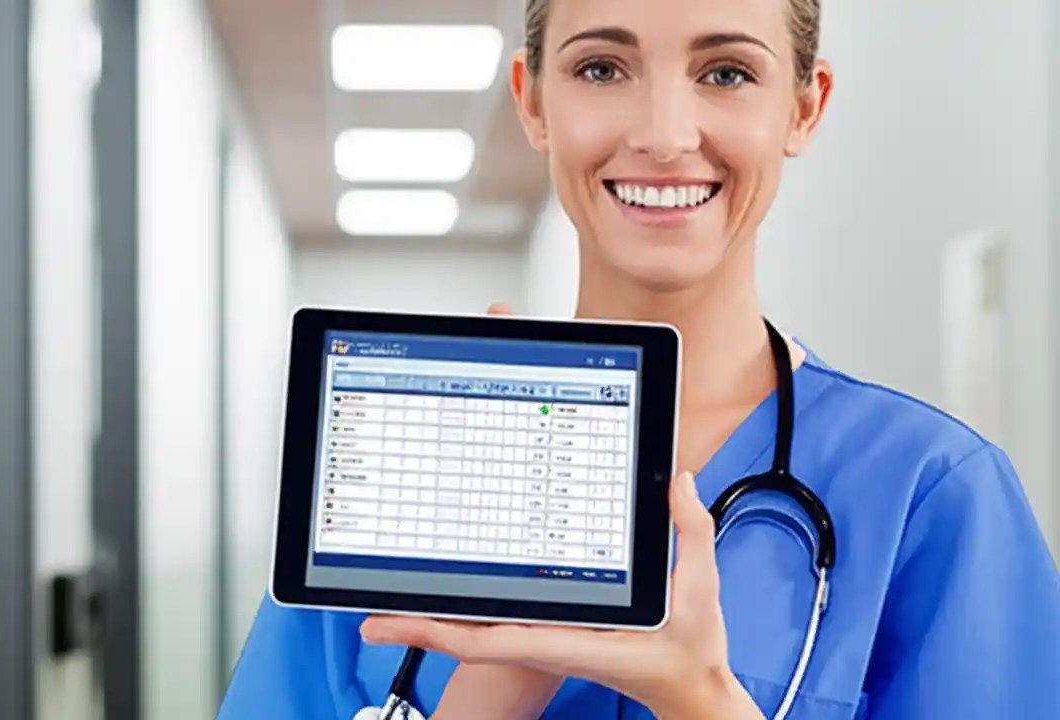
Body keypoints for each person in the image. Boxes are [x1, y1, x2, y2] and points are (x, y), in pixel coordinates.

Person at [219, 0, 1060, 716]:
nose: (664, 136)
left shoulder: (930, 492)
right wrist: (491, 693)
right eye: (600, 70)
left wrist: (704, 700)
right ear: (532, 100)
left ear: (805, 107)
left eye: (726, 72)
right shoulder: (385, 474)